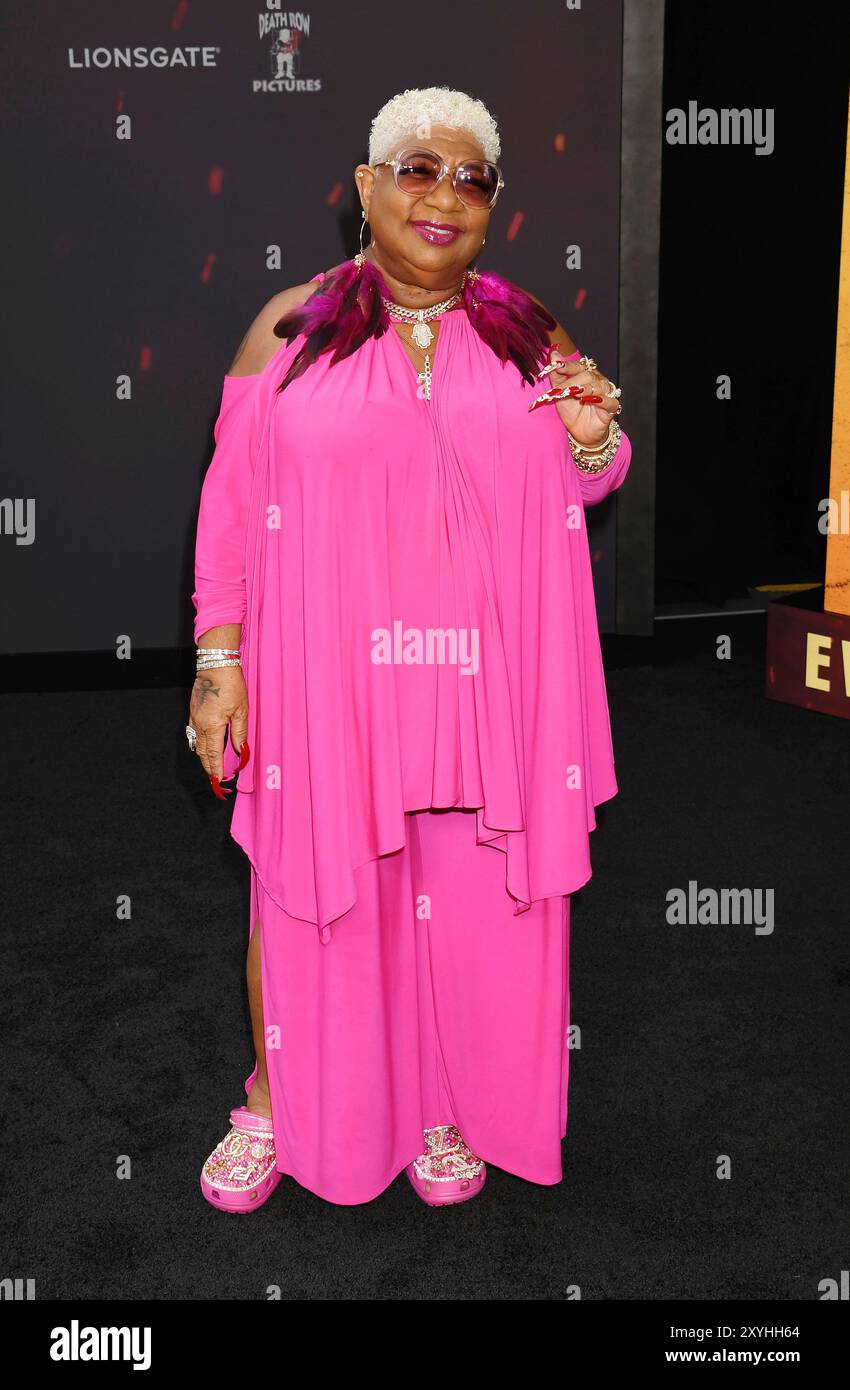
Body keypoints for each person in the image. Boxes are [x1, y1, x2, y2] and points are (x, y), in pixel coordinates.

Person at [188, 85, 631, 1211]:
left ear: (493, 207)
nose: (445, 196)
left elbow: (592, 473)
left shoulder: (530, 329)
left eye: (471, 178)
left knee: (480, 897)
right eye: (420, 169)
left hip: (487, 688)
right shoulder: (287, 329)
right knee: (306, 893)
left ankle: (445, 1097)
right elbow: (230, 509)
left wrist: (593, 441)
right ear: (369, 189)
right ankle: (278, 1102)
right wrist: (219, 660)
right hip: (334, 682)